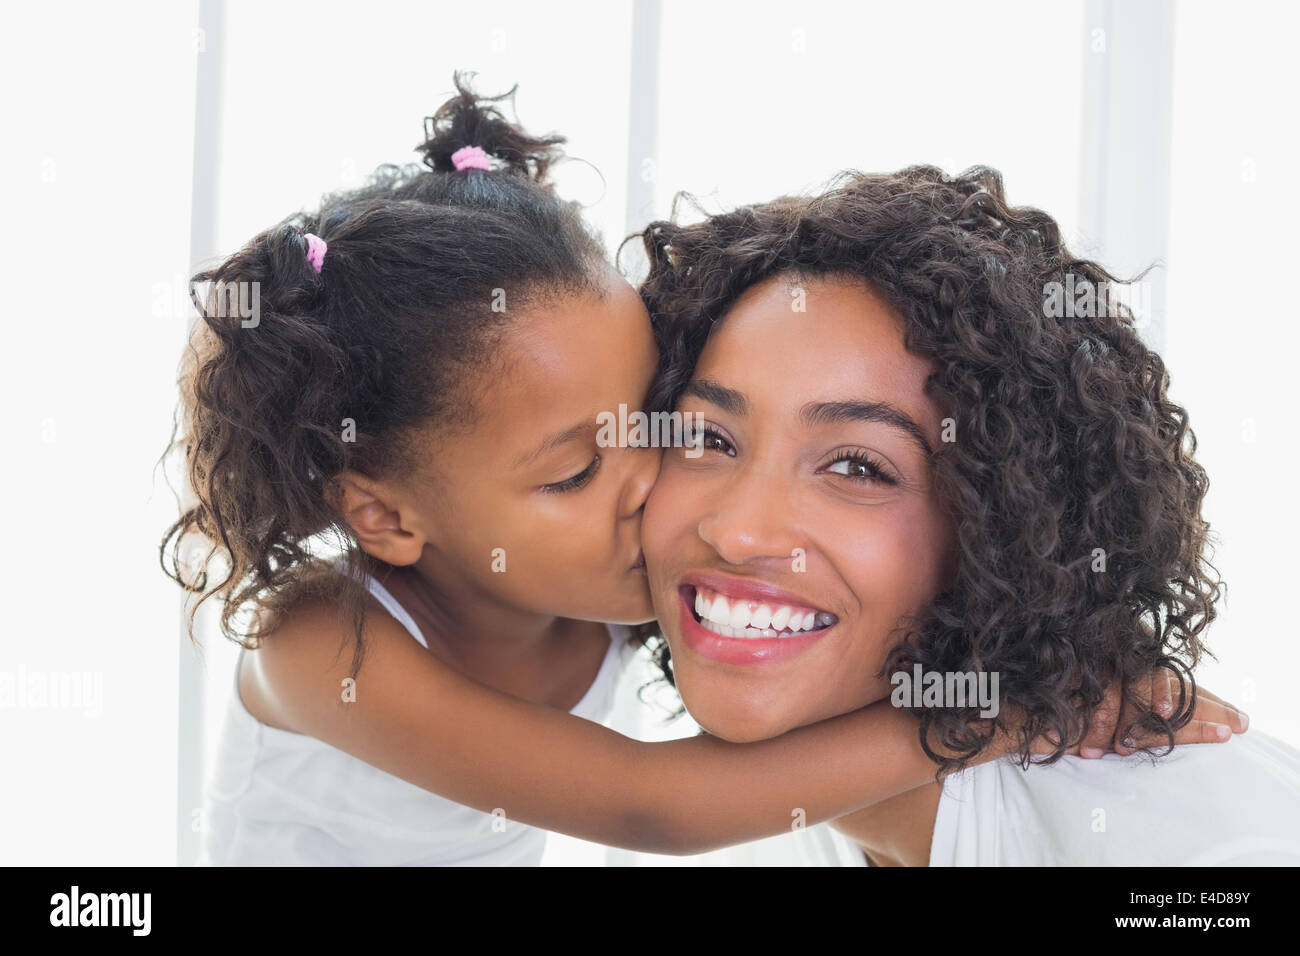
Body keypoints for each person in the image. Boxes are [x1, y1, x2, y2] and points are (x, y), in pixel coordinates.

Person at [633, 164, 1298, 865]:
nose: (738, 532)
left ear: (1006, 536)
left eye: (858, 467)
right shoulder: (809, 803)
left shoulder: (1203, 856)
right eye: (706, 438)